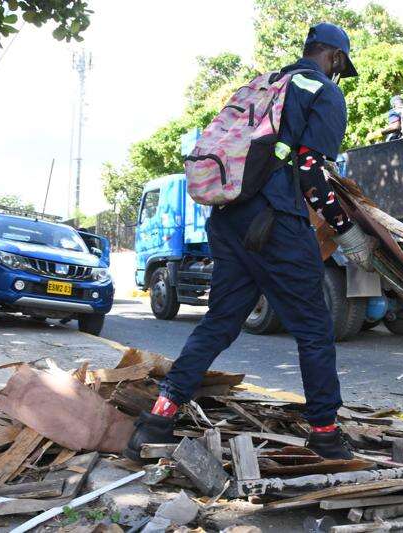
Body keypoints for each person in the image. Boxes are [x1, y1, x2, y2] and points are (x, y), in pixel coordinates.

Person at [125, 22, 370, 462]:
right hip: (276, 224)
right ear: (334, 57)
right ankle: (327, 435)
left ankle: (157, 421)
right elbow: (311, 168)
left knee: (219, 322)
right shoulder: (324, 93)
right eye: (340, 66)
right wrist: (344, 228)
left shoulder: (266, 86)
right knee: (315, 330)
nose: (338, 74)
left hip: (229, 219)